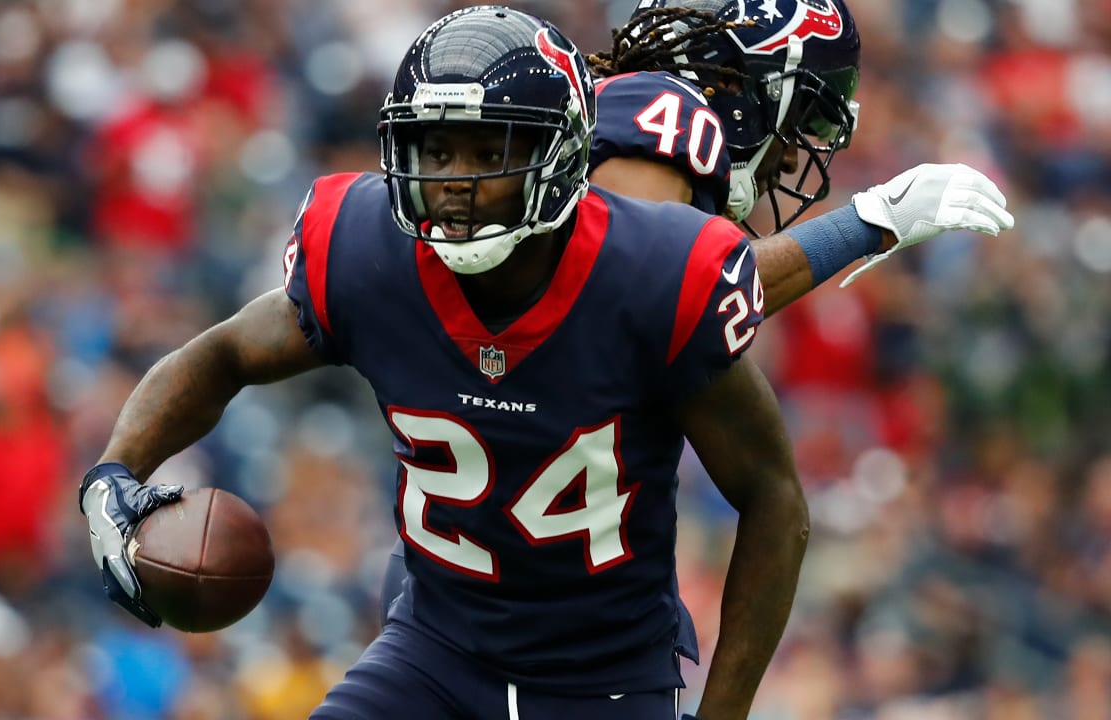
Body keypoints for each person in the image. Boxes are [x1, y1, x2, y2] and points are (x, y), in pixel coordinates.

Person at [79, 6, 1011, 719]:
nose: (452, 180)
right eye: (432, 149)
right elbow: (224, 352)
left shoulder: (654, 270)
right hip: (436, 642)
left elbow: (769, 488)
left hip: (603, 679)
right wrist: (111, 478)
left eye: (485, 151)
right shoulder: (372, 247)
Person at [376, 0, 1016, 630]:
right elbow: (644, 292)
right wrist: (867, 223)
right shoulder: (664, 113)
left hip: (479, 552)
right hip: (502, 583)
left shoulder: (626, 116)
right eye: (801, 118)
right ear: (746, 83)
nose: (794, 155)